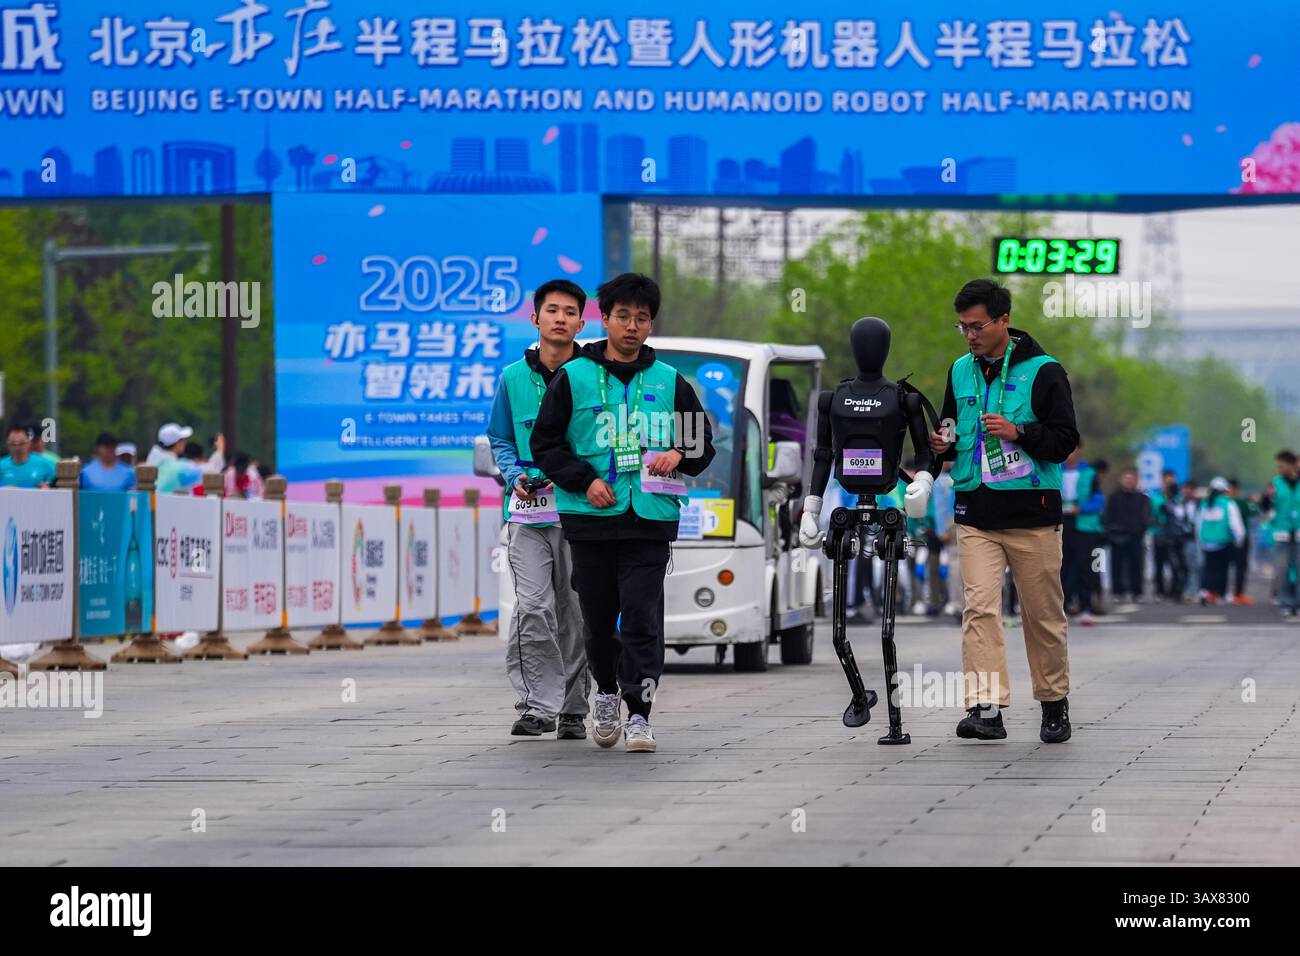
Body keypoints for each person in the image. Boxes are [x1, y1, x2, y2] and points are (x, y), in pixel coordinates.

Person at [531, 272, 715, 753]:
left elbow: (703, 445)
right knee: (597, 619)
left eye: (642, 318)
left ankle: (640, 712)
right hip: (591, 518)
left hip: (649, 518)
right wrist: (584, 480)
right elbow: (545, 442)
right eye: (623, 317)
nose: (632, 326)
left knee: (640, 618)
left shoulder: (671, 381)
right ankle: (607, 693)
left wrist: (679, 451)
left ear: (650, 324)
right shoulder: (573, 376)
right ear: (605, 319)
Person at [928, 279, 1080, 744]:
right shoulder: (959, 371)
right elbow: (951, 425)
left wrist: (1019, 432)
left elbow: (1065, 440)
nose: (970, 335)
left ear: (1004, 320)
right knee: (980, 609)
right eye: (963, 327)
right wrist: (941, 445)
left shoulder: (1045, 371)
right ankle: (986, 708)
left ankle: (1053, 704)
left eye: (977, 326)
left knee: (1041, 615)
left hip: (1033, 514)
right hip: (976, 513)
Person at [486, 277, 590, 739]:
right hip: (526, 514)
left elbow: (600, 441)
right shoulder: (511, 378)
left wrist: (570, 473)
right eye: (553, 310)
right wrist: (515, 476)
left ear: (581, 322)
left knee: (575, 609)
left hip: (581, 510)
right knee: (533, 606)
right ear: (536, 319)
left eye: (570, 312)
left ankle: (573, 708)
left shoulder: (595, 376)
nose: (560, 318)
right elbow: (501, 438)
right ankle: (536, 706)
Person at [1060, 444, 1102, 624]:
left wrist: (1081, 508)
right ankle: (1063, 605)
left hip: (1084, 526)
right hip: (1060, 524)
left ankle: (1086, 605)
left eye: (1073, 449)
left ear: (1079, 451)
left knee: (1085, 566)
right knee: (1060, 567)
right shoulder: (1054, 469)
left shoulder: (1090, 474)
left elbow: (1099, 502)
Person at [1103, 466, 1152, 603]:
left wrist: (1141, 530)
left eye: (1132, 479)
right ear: (1121, 480)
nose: (1129, 481)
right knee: (1117, 565)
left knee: (1136, 565)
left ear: (1136, 481)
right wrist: (1111, 531)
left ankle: (1137, 592)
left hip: (1136, 536)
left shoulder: (1142, 498)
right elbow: (1107, 516)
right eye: (1126, 479)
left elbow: (1147, 516)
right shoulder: (1113, 497)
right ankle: (1117, 592)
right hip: (1117, 537)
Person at [1260, 450, 1300, 616]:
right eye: (1278, 466)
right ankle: (1286, 603)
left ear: (1292, 464)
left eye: (1281, 466)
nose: (1279, 469)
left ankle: (1298, 603)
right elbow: (1265, 508)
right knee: (1282, 570)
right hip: (1281, 533)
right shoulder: (1275, 483)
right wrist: (1267, 498)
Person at [1196, 477, 1245, 605]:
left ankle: (1205, 591)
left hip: (1207, 542)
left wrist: (1200, 541)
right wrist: (1239, 540)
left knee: (1208, 568)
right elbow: (1236, 525)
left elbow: (1199, 524)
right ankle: (1220, 594)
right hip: (1223, 542)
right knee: (1222, 569)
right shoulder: (1228, 503)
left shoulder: (1205, 504)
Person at [1150, 470, 1189, 602]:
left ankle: (1174, 590)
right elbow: (1151, 515)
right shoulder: (1155, 497)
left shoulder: (1179, 499)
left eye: (1171, 482)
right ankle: (1160, 591)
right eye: (1166, 481)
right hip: (1159, 534)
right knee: (1159, 564)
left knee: (1176, 565)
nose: (1168, 484)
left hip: (1175, 536)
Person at [1225, 478, 1256, 606]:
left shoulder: (1222, 503)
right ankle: (1237, 594)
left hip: (1225, 539)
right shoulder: (1240, 503)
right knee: (1240, 567)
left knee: (1225, 567)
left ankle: (1223, 593)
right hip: (1240, 539)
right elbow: (1253, 511)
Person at [0, 423, 56, 488]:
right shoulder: (1, 466)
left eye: (21, 443)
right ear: (8, 444)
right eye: (13, 444)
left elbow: (58, 484)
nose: (17, 448)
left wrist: (49, 486)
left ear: (29, 443)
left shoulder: (45, 464)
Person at [151, 423, 203, 493]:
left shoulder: (153, 461)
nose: (185, 442)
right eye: (183, 439)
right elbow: (206, 474)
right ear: (177, 443)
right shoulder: (180, 468)